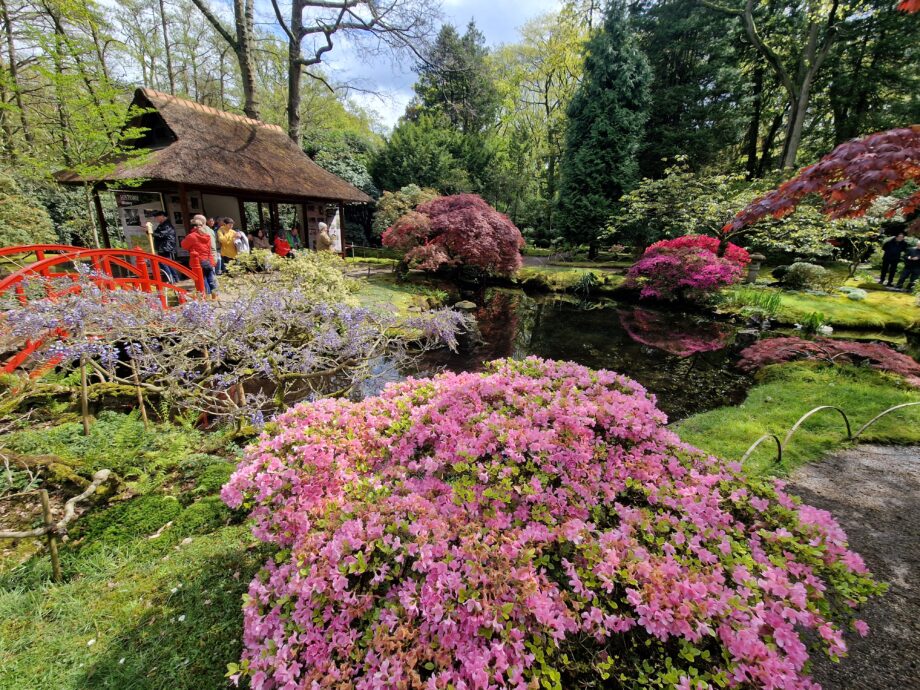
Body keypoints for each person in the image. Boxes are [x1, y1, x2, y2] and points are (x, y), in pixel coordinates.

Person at [181, 215, 218, 298]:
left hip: (198, 260)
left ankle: (206, 295)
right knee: (210, 277)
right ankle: (215, 295)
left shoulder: (192, 236)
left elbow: (184, 245)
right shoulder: (206, 235)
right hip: (208, 259)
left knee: (202, 279)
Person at [150, 210, 179, 283]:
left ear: (162, 216)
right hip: (163, 246)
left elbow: (161, 235)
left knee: (164, 263)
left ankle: (171, 279)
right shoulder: (162, 225)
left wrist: (151, 232)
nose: (156, 219)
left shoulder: (167, 225)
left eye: (157, 217)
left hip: (165, 247)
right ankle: (174, 279)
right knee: (168, 263)